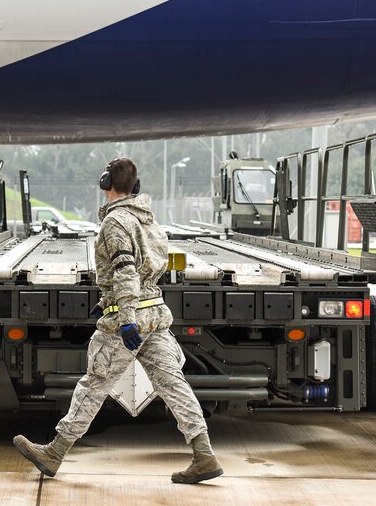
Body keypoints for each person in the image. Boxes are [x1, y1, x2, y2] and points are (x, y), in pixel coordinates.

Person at [12, 158, 223, 485]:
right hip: (154, 314)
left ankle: (53, 453)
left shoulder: (116, 223)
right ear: (134, 187)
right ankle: (203, 453)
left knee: (94, 384)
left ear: (105, 182)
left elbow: (125, 273)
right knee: (173, 384)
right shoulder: (150, 221)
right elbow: (153, 268)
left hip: (130, 318)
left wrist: (124, 318)